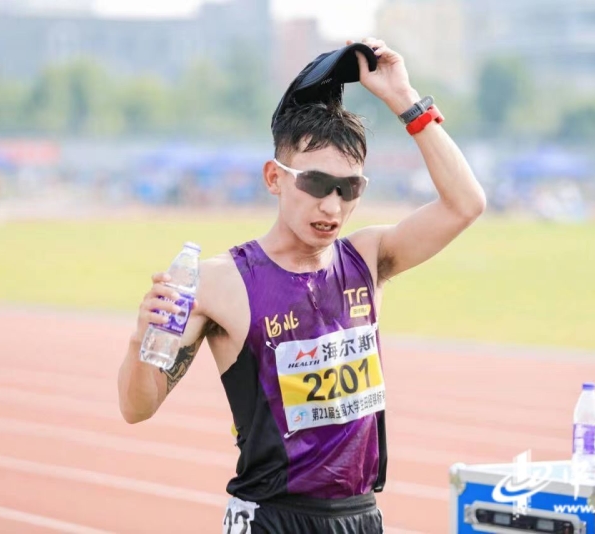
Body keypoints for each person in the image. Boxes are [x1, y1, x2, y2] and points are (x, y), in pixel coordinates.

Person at [117, 37, 486, 533]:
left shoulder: (367, 258)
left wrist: (405, 99)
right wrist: (142, 338)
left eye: (348, 188)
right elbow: (136, 408)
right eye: (315, 184)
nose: (332, 208)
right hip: (270, 518)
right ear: (275, 178)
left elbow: (466, 203)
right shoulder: (220, 282)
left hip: (359, 517)